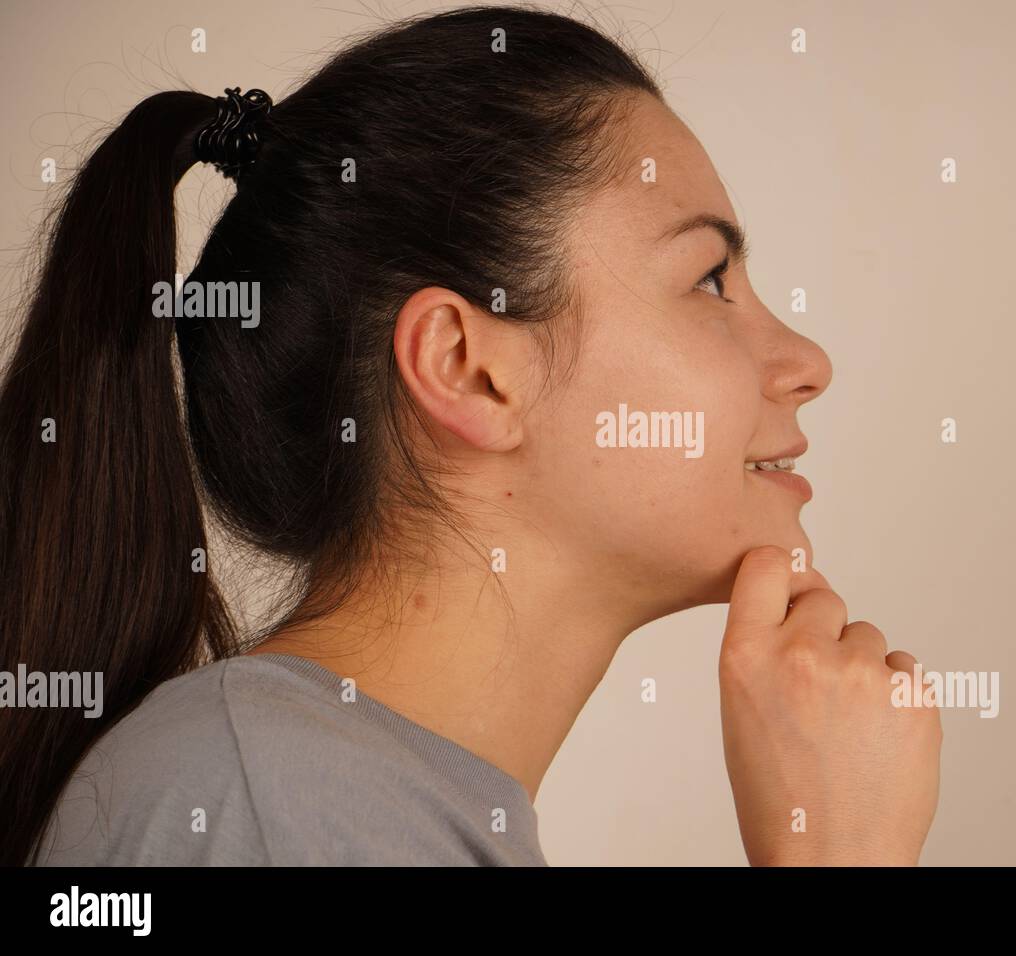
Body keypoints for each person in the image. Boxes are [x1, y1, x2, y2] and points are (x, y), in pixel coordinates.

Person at [0, 5, 941, 866]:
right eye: (709, 279)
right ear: (469, 367)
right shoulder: (269, 810)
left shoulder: (324, 803)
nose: (807, 360)